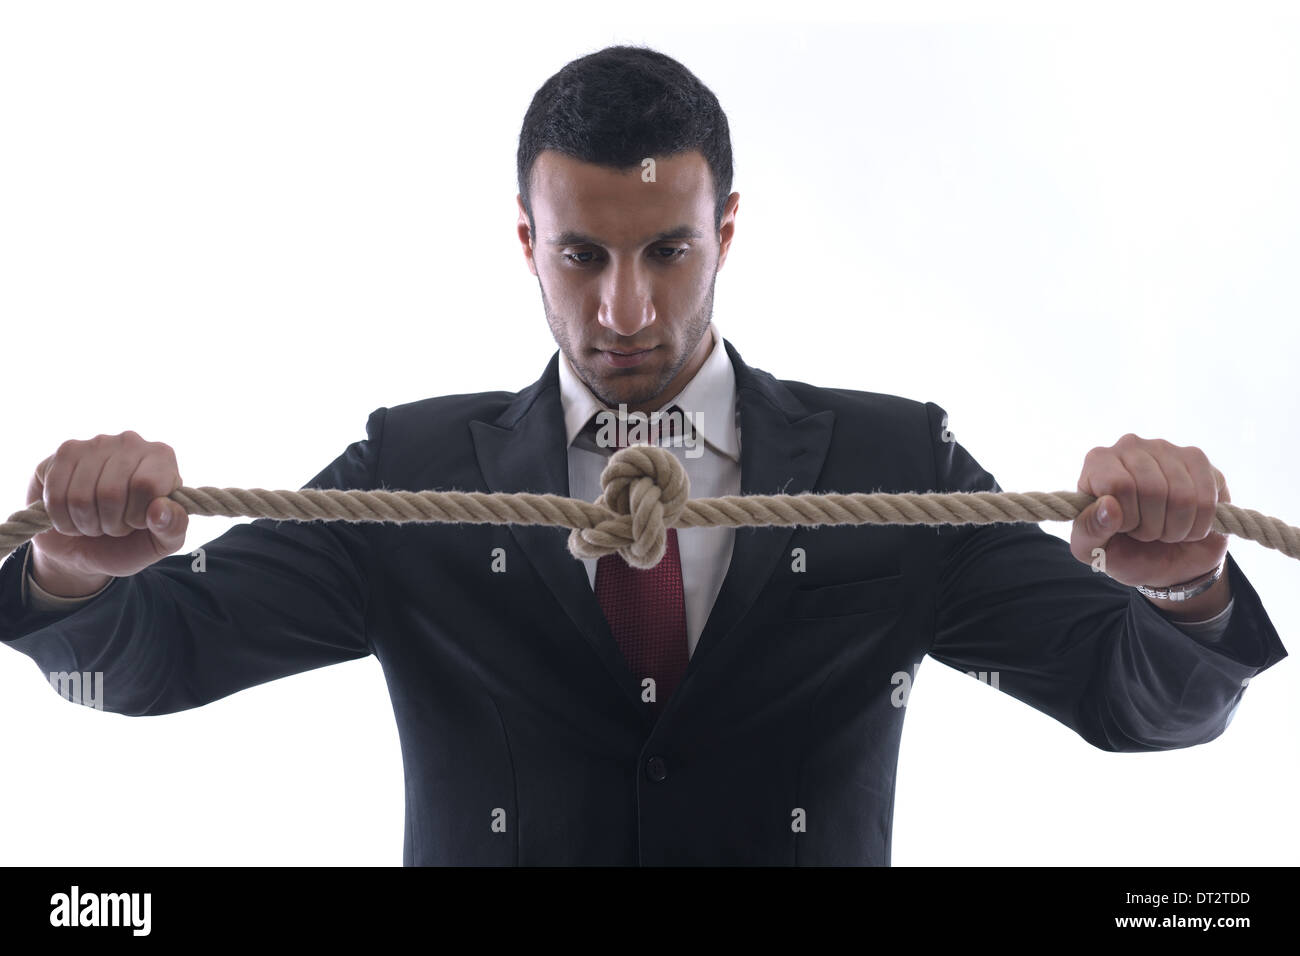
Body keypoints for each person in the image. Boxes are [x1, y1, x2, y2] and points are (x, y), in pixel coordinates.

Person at [0, 45, 1286, 866]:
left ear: (724, 229)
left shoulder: (893, 461)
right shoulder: (415, 464)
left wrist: (1182, 586)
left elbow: (1140, 705)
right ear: (525, 241)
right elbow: (163, 659)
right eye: (582, 255)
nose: (625, 310)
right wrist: (69, 569)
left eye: (666, 250)